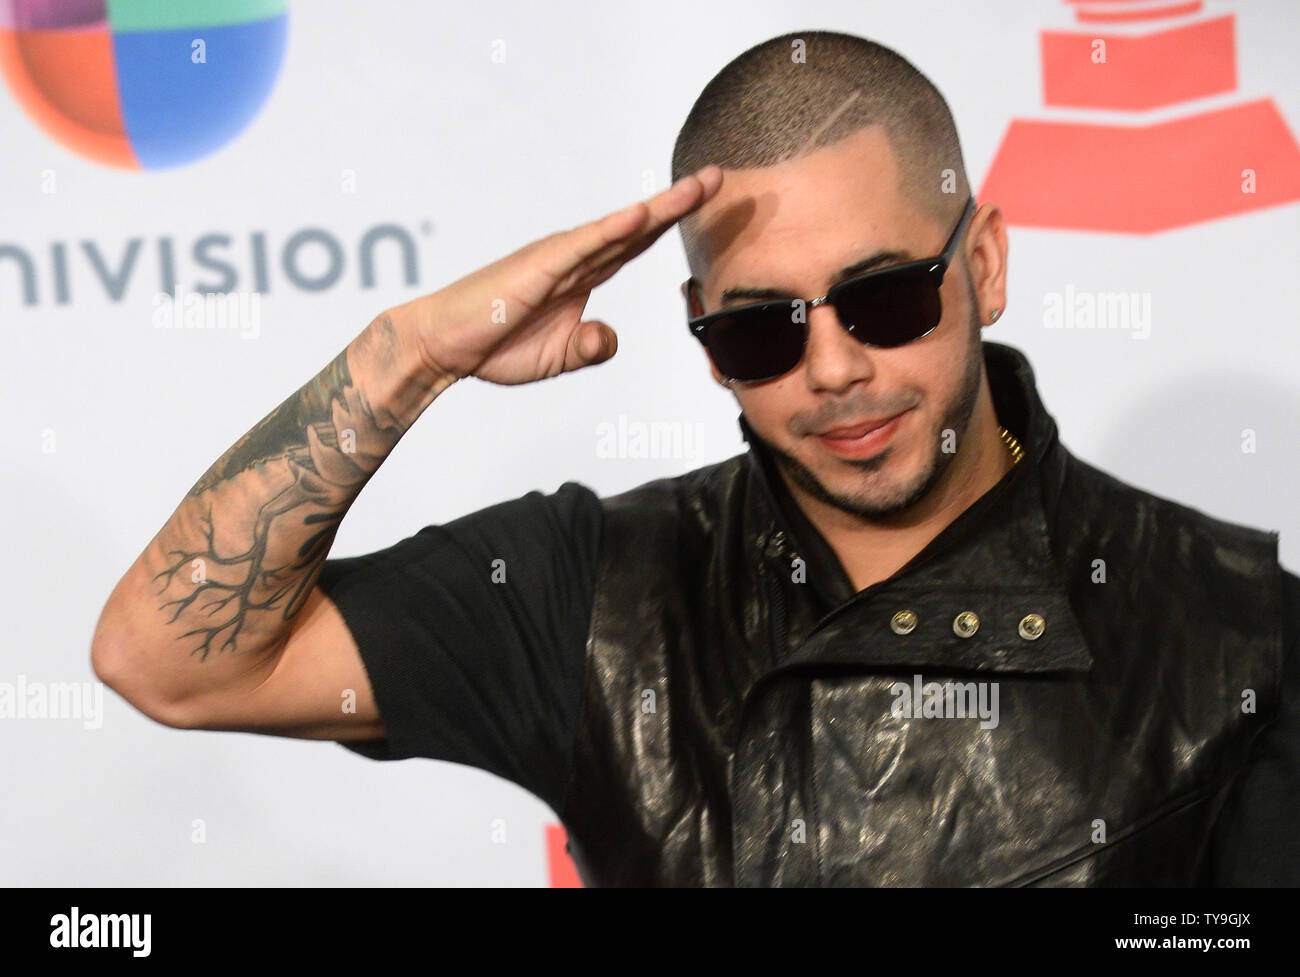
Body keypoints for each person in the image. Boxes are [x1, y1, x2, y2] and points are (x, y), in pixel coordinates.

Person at [91, 30, 1299, 887]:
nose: (830, 370)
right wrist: (406, 352)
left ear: (981, 264)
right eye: (761, 327)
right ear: (703, 340)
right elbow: (168, 660)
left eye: (882, 299)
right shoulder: (598, 591)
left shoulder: (1232, 633)